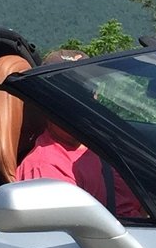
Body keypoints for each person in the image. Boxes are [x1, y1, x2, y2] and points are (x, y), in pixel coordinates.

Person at [14, 49, 148, 220]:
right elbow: (69, 232)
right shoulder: (45, 168)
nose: (80, 103)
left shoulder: (103, 142)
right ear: (46, 101)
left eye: (87, 91)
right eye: (68, 94)